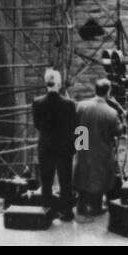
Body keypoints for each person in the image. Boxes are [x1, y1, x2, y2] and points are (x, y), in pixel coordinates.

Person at [31, 67, 78, 221]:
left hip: (46, 147)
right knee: (66, 182)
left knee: (46, 181)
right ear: (58, 85)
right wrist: (80, 147)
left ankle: (47, 212)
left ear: (46, 84)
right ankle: (67, 212)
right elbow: (76, 127)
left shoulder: (37, 102)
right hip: (64, 148)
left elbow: (37, 125)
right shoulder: (70, 104)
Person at [74, 78, 124, 215]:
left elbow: (76, 126)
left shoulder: (81, 106)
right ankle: (96, 207)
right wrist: (121, 111)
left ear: (95, 90)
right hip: (102, 150)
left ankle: (81, 205)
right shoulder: (111, 112)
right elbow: (119, 131)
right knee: (100, 178)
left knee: (83, 174)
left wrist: (80, 144)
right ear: (108, 92)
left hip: (83, 146)